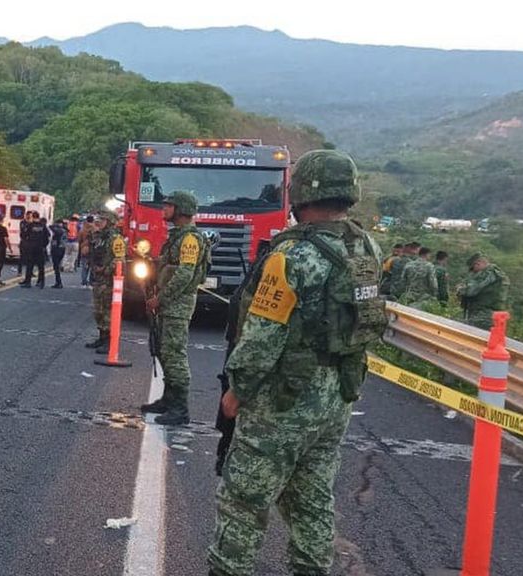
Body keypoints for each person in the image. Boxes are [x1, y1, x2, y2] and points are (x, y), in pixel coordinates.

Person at [208, 150, 387, 576]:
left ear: (302, 191)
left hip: (283, 402)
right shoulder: (366, 246)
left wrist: (237, 391)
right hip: (337, 396)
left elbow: (262, 337)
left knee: (243, 503)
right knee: (312, 500)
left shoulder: (291, 256)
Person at [139, 191, 210, 426]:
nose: (164, 209)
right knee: (163, 351)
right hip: (169, 304)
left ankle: (180, 409)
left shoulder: (190, 239)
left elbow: (184, 274)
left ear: (180, 210)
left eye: (168, 206)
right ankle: (168, 401)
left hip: (177, 305)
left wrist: (161, 299)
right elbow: (172, 266)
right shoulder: (178, 237)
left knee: (175, 355)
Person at [85, 212, 121, 350]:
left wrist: (105, 269)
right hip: (98, 280)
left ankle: (109, 342)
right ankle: (101, 337)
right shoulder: (99, 237)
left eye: (102, 220)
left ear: (110, 222)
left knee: (108, 311)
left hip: (108, 280)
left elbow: (119, 260)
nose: (99, 222)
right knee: (98, 310)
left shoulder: (116, 239)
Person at [457, 253, 509, 330]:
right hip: (488, 316)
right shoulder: (494, 273)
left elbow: (471, 291)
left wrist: (460, 289)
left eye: (473, 268)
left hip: (483, 316)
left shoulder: (488, 273)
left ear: (477, 264)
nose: (473, 272)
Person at [21, 213, 48, 288]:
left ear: (32, 217)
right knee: (41, 266)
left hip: (31, 247)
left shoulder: (30, 225)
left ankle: (28, 282)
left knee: (30, 265)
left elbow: (24, 235)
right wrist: (43, 246)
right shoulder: (43, 226)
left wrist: (27, 243)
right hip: (40, 248)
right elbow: (47, 237)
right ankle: (41, 282)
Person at [49, 218, 68, 288]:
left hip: (57, 249)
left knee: (56, 266)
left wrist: (55, 225)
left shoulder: (60, 230)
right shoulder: (65, 230)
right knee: (57, 266)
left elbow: (51, 227)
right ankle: (58, 282)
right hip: (62, 248)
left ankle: (58, 282)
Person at [79, 215, 96, 286]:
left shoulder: (83, 229)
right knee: (92, 266)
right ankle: (91, 281)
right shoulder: (95, 229)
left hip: (84, 249)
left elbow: (79, 239)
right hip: (93, 250)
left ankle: (84, 281)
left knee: (84, 266)